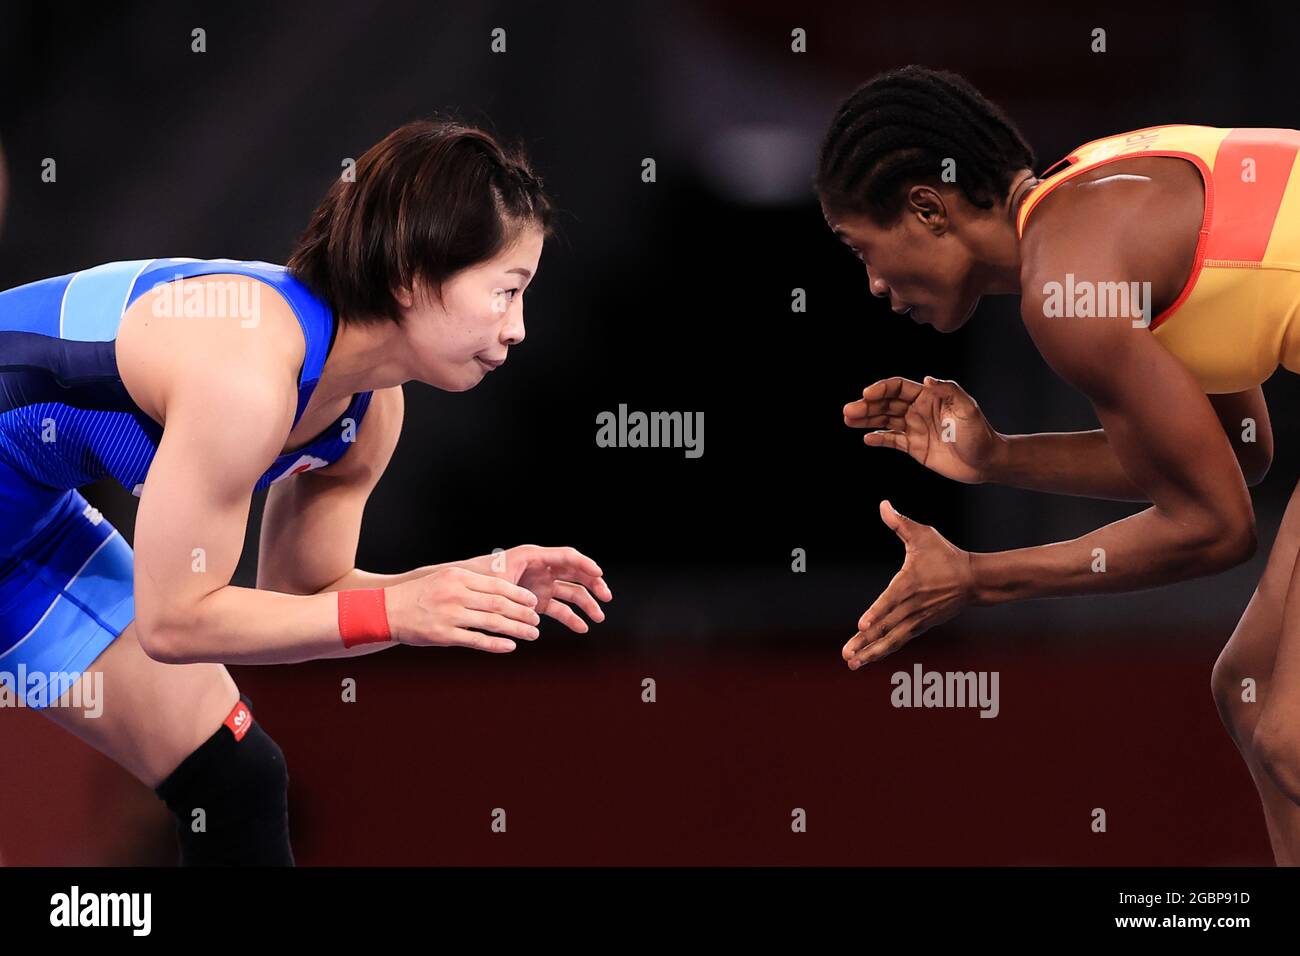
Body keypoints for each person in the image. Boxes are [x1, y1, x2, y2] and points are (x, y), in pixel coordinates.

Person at [0, 118, 612, 865]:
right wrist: (398, 609)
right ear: (411, 277)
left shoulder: (371, 409)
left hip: (27, 526)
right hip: (31, 521)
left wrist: (456, 585)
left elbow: (302, 598)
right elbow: (175, 626)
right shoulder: (247, 374)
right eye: (506, 291)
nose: (518, 328)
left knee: (235, 778)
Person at [817, 65, 1299, 863]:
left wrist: (978, 577)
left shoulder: (1064, 281)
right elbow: (1238, 455)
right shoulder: (1091, 202)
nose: (873, 285)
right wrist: (999, 457)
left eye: (862, 250)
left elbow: (1217, 529)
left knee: (1289, 732)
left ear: (928, 209)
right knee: (1247, 696)